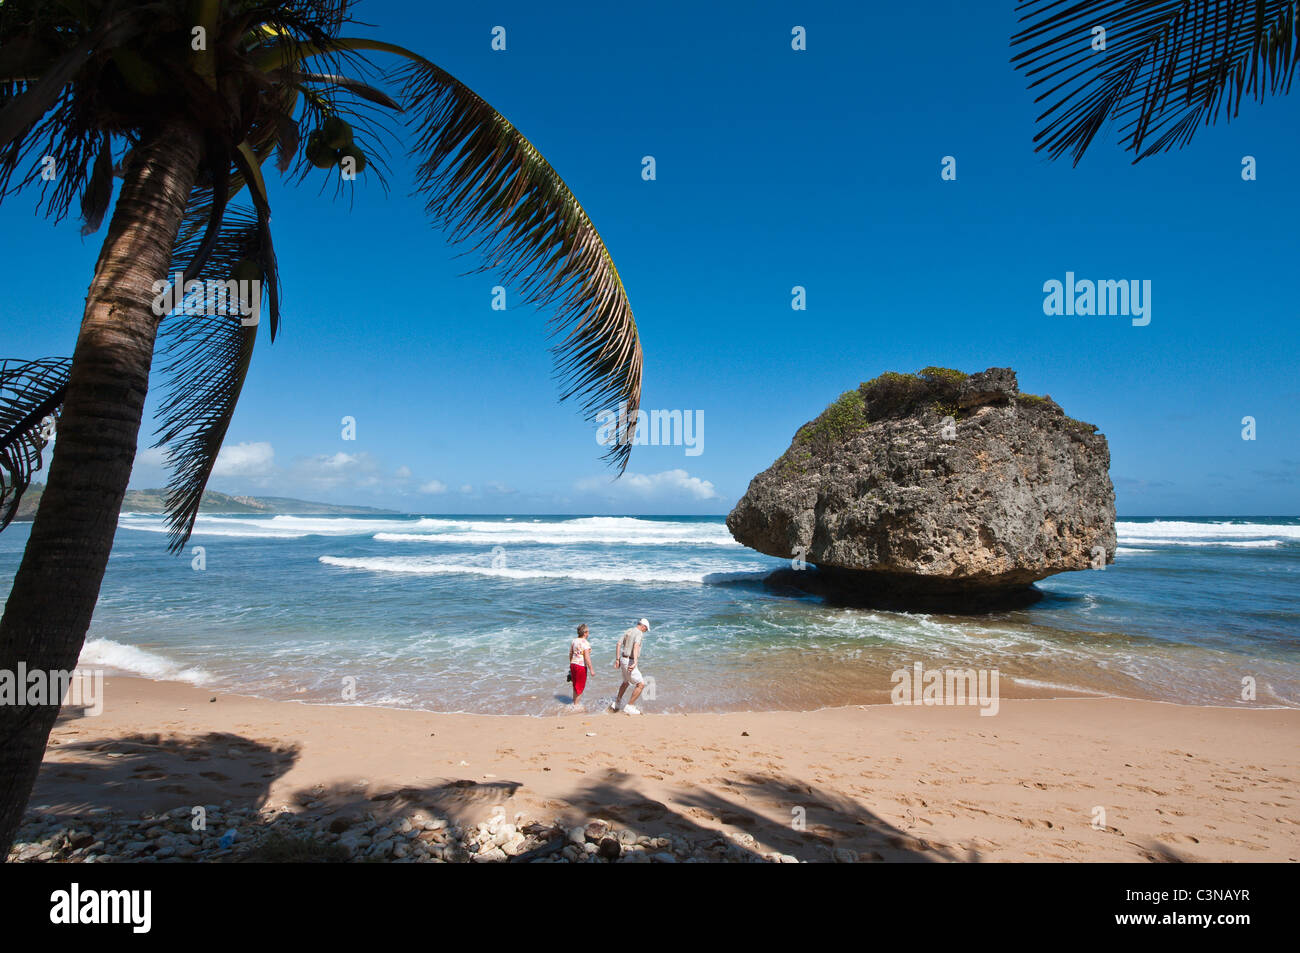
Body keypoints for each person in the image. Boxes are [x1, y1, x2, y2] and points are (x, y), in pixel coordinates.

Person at [610, 618, 650, 715]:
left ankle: (617, 703)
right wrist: (635, 661)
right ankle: (629, 706)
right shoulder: (639, 633)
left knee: (625, 682)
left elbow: (618, 644)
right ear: (643, 626)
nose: (645, 631)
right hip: (630, 660)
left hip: (623, 659)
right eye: (646, 629)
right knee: (641, 684)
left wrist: (617, 659)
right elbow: (636, 645)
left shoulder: (629, 630)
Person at [568, 623, 594, 708]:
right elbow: (587, 657)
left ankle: (574, 703)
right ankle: (576, 706)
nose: (588, 633)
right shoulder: (585, 643)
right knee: (580, 686)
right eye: (588, 632)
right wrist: (591, 669)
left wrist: (571, 663)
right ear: (585, 633)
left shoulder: (574, 641)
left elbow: (570, 653)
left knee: (575, 685)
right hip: (581, 666)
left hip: (573, 664)